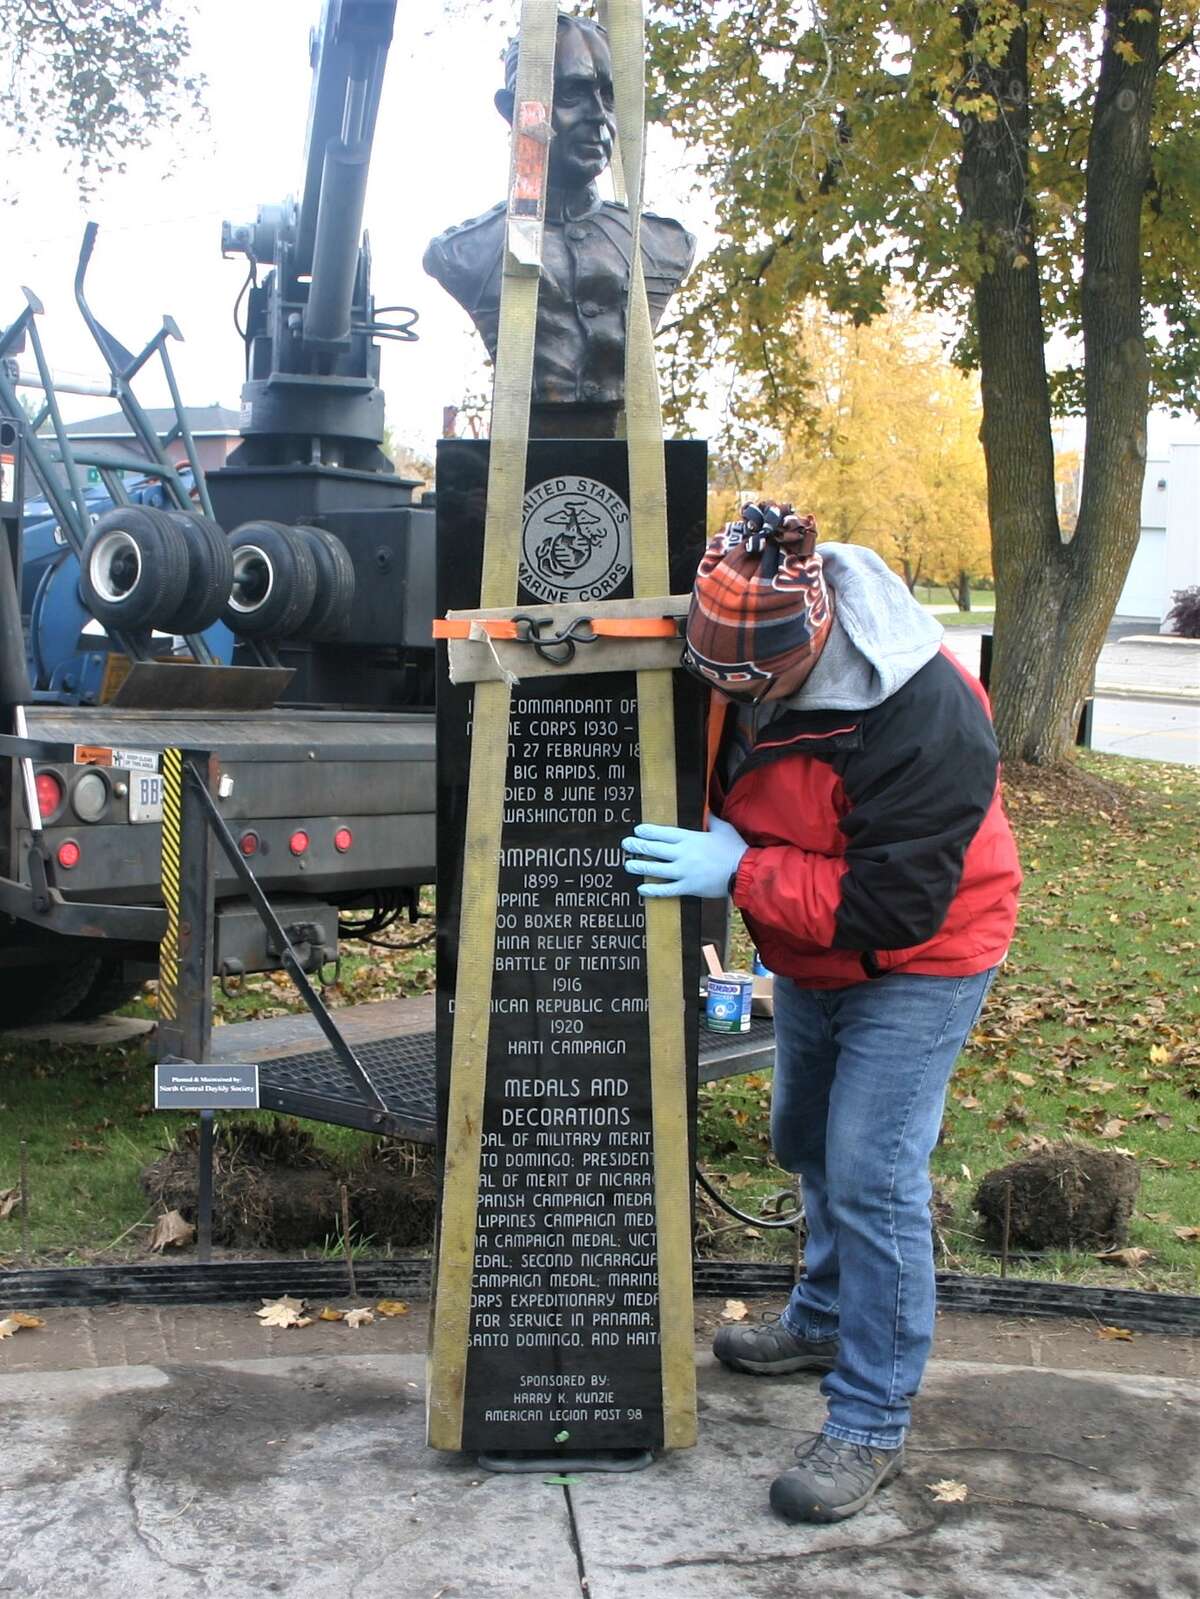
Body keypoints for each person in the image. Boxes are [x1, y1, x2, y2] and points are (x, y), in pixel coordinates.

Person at [622, 503, 1021, 1524]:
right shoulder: (735, 642)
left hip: (920, 954)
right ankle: (822, 1314)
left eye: (754, 687)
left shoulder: (927, 711)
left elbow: (893, 905)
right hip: (806, 945)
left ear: (816, 638)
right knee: (802, 1137)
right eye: (716, 680)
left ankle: (869, 1421)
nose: (731, 702)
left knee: (871, 1171)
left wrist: (740, 866)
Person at [423, 12, 695, 438]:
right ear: (513, 111)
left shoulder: (664, 245)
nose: (598, 117)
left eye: (608, 97)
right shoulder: (467, 252)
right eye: (571, 94)